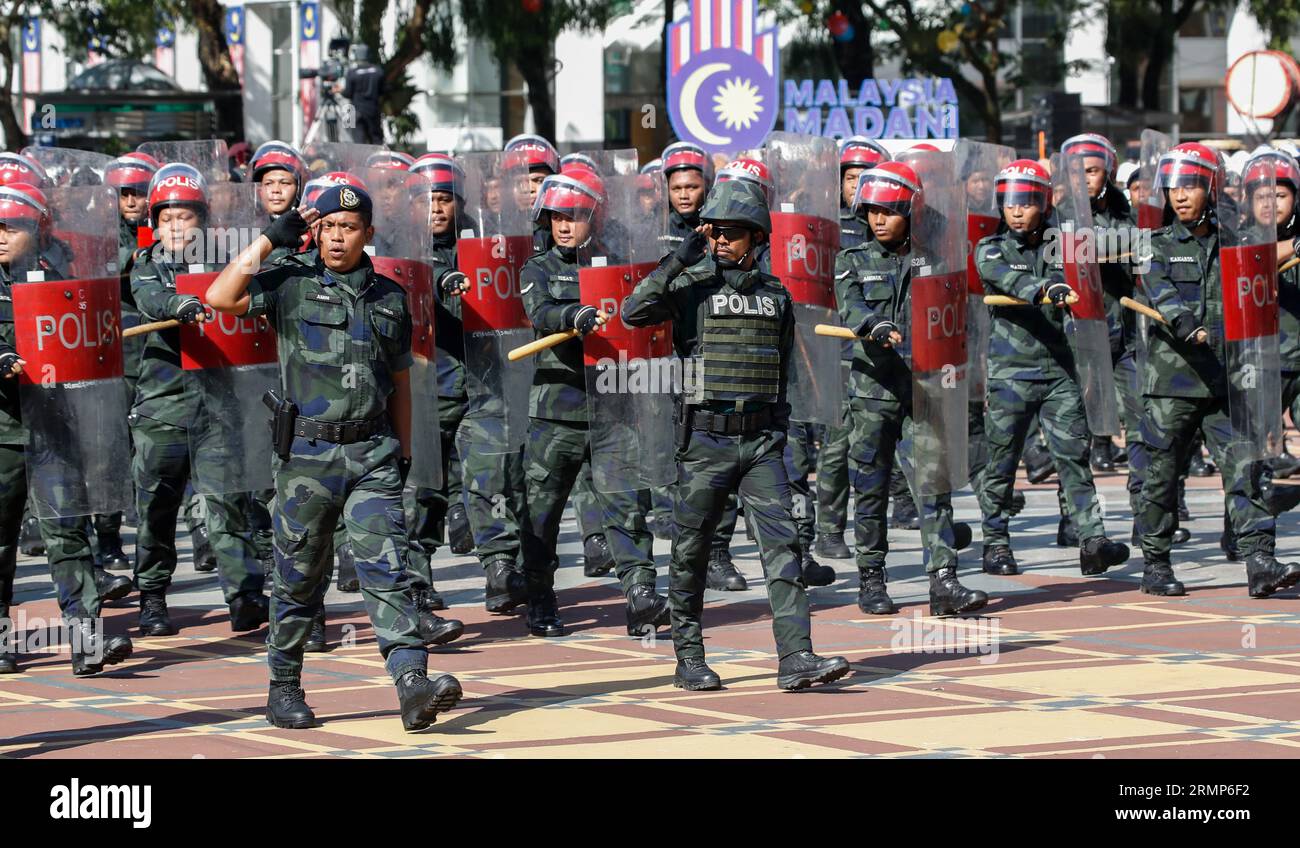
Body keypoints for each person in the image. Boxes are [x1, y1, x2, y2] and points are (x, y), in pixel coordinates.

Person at [206, 183, 464, 731]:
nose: (336, 237)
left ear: (368, 233)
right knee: (298, 578)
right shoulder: (291, 282)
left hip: (372, 452)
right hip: (306, 458)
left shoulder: (391, 298)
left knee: (387, 570)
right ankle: (283, 686)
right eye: (327, 228)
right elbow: (219, 297)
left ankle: (412, 683)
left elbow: (400, 381)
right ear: (314, 232)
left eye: (348, 228)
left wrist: (404, 454)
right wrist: (268, 242)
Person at [622, 177, 849, 691]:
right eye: (714, 232)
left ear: (757, 239)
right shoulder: (689, 290)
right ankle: (689, 658)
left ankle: (796, 659)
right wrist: (681, 257)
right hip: (705, 441)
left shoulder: (776, 296)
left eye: (732, 233)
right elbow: (632, 312)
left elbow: (785, 366)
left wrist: (778, 429)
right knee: (691, 552)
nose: (720, 241)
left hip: (761, 443)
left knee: (784, 549)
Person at [1136, 142, 1300, 597]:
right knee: (1163, 475)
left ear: (1211, 186)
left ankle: (1260, 560)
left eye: (1190, 185)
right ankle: (1156, 563)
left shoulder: (1239, 241)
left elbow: (1267, 267)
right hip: (1174, 382)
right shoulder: (1155, 244)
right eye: (1173, 187)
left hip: (1228, 381)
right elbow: (1159, 290)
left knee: (1244, 470)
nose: (1180, 196)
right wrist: (1183, 320)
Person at [514, 168, 670, 638]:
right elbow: (538, 311)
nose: (565, 225)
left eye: (576, 216)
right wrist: (571, 314)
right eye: (557, 216)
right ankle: (540, 599)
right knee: (541, 513)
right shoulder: (536, 268)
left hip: (612, 408)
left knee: (625, 507)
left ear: (595, 217)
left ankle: (641, 595)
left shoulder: (617, 265)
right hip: (555, 412)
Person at [833, 160, 983, 615]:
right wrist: (872, 323)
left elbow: (957, 318)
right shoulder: (851, 260)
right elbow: (850, 305)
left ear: (911, 212)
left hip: (926, 389)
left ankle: (943, 581)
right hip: (874, 389)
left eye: (890, 211)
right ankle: (872, 579)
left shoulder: (938, 260)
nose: (879, 219)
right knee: (872, 485)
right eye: (873, 210)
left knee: (933, 484)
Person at [129, 163, 270, 636]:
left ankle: (246, 595)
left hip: (218, 401)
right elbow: (148, 297)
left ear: (202, 220)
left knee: (226, 501)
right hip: (163, 404)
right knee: (156, 506)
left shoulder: (225, 260)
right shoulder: (147, 262)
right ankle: (151, 596)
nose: (174, 225)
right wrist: (179, 305)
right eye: (166, 216)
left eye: (184, 216)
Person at [0, 181, 134, 675]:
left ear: (37, 229)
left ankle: (86, 638)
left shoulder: (59, 279)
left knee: (68, 534)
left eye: (10, 226)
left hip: (54, 428)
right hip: (4, 432)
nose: (0, 236)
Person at [974, 159, 1130, 578]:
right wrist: (1044, 288)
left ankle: (1091, 540)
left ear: (1043, 203)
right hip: (1011, 374)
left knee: (1073, 458)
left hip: (1060, 371)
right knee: (1002, 462)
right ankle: (996, 542)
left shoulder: (1065, 244)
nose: (1017, 211)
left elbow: (1086, 268)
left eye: (1026, 202)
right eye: (1009, 203)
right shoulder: (990, 248)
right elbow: (1004, 278)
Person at [816, 137, 891, 562]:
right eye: (851, 177)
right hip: (842, 351)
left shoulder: (896, 224)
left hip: (890, 354)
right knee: (838, 443)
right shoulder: (828, 225)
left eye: (866, 177)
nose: (858, 184)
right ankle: (829, 528)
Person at [338, 44, 385, 145]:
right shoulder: (378, 71)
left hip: (356, 112)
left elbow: (348, 93)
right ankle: (379, 160)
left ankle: (360, 160)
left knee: (359, 141)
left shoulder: (352, 72)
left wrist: (340, 91)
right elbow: (383, 91)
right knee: (376, 139)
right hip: (373, 111)